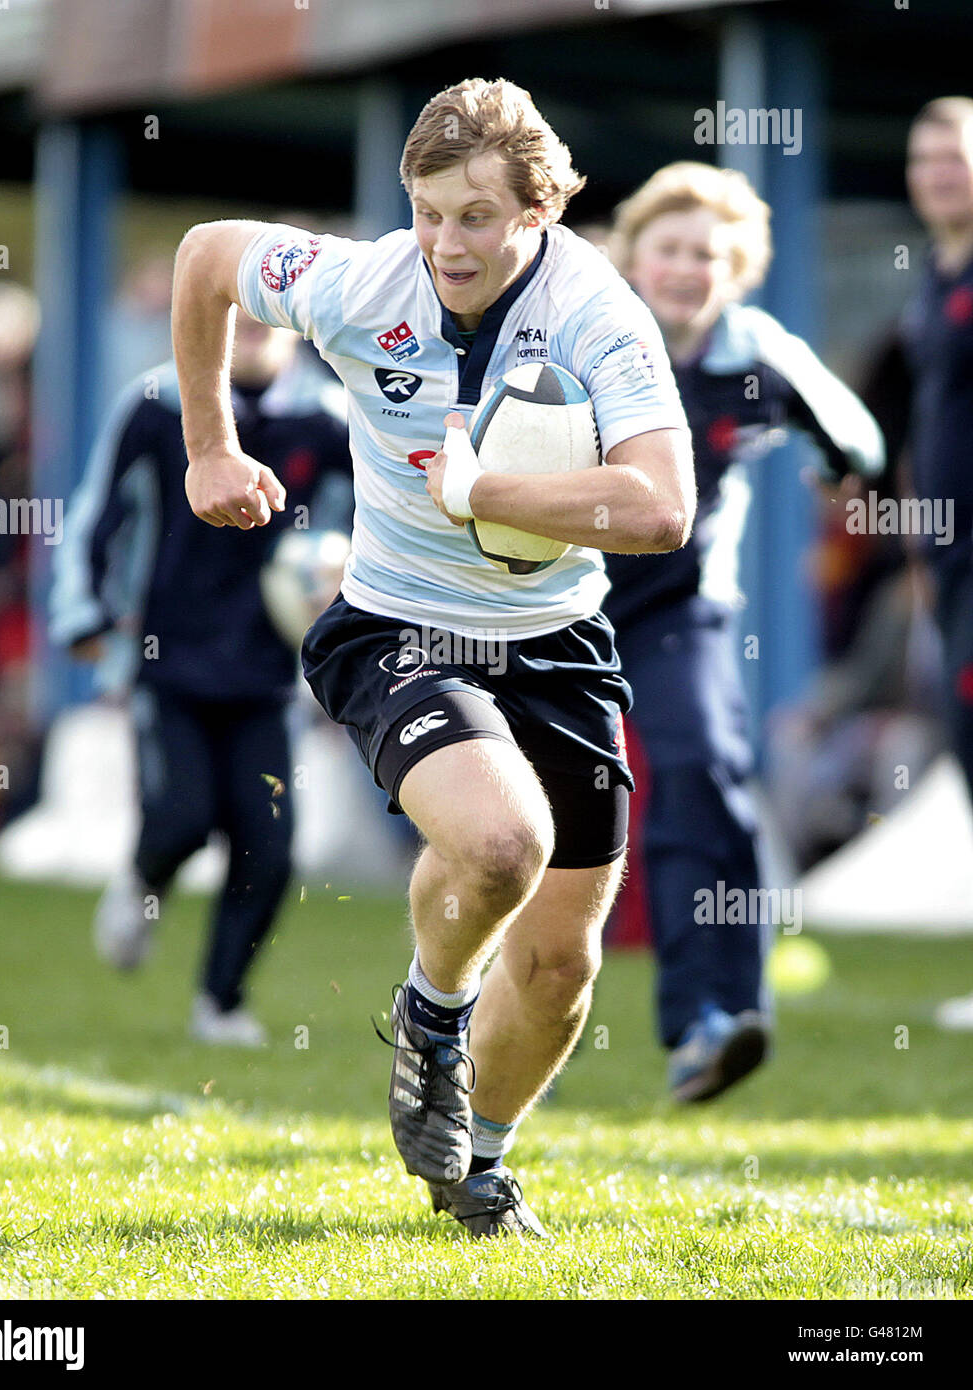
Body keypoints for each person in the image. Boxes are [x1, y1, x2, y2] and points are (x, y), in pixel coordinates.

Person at [171, 77, 695, 1236]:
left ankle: (476, 1166)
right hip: (396, 624)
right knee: (502, 842)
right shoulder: (364, 284)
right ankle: (432, 1011)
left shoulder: (599, 314)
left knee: (561, 967)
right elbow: (209, 253)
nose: (444, 243)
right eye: (426, 210)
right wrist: (211, 447)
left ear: (537, 212)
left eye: (474, 216)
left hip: (559, 640)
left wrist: (483, 492)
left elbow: (661, 508)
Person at [604, 163, 885, 1100]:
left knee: (704, 777)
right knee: (526, 810)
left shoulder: (757, 353)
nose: (688, 268)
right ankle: (472, 1022)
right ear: (634, 254)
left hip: (680, 610)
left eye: (710, 256)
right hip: (551, 604)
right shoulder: (579, 330)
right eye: (671, 248)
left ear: (737, 273)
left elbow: (858, 439)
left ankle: (711, 1024)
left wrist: (835, 460)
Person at [49, 313, 352, 1045]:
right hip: (167, 664)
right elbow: (99, 511)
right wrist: (85, 614)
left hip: (269, 677)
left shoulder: (328, 420)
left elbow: (379, 527)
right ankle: (143, 880)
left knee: (269, 846)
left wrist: (341, 597)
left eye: (265, 314)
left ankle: (221, 1002)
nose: (249, 326)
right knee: (183, 817)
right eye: (232, 312)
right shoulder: (156, 405)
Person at [892, 97, 973, 1029]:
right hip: (950, 562)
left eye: (955, 155)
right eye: (926, 159)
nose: (939, 172)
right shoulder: (932, 278)